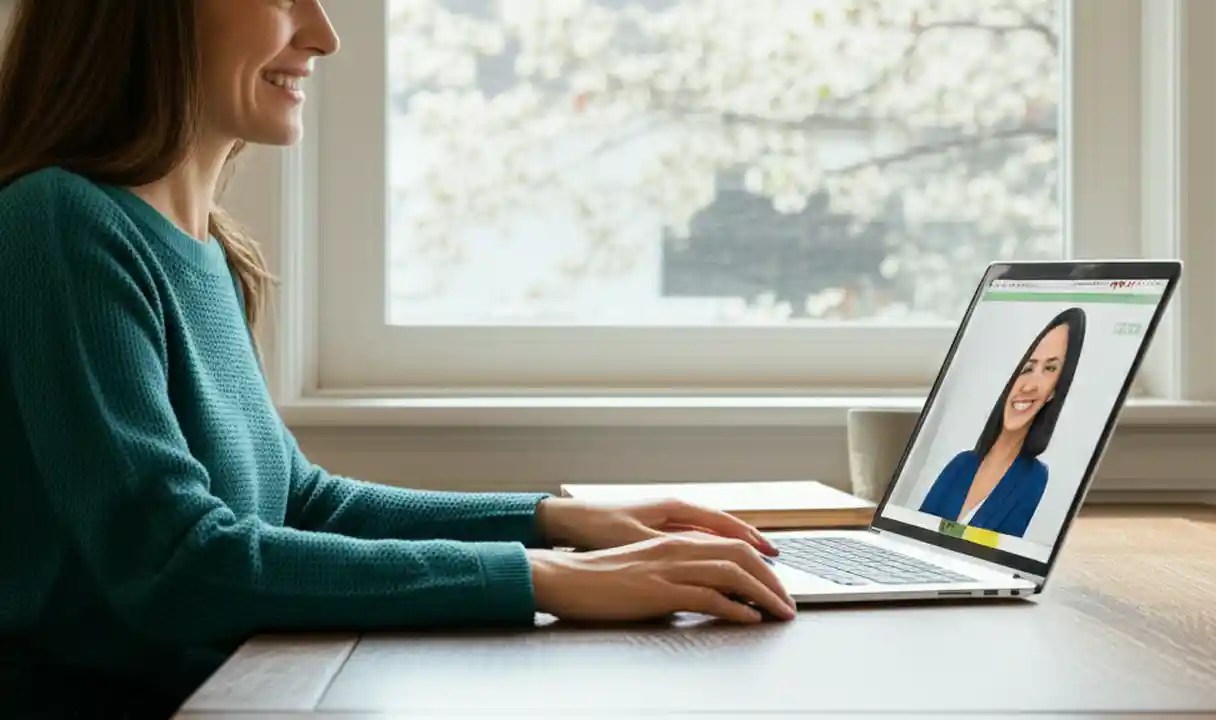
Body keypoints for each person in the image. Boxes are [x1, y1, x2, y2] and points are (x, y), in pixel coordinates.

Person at [0, 1, 796, 716]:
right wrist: (551, 580)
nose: (324, 34)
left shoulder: (210, 252)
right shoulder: (57, 226)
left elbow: (299, 503)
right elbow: (175, 563)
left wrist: (561, 523)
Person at [919, 308, 1087, 538]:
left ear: (1054, 391)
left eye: (1049, 369)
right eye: (1027, 368)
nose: (1028, 386)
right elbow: (916, 533)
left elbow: (1000, 550)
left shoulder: (1033, 477)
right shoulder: (961, 464)